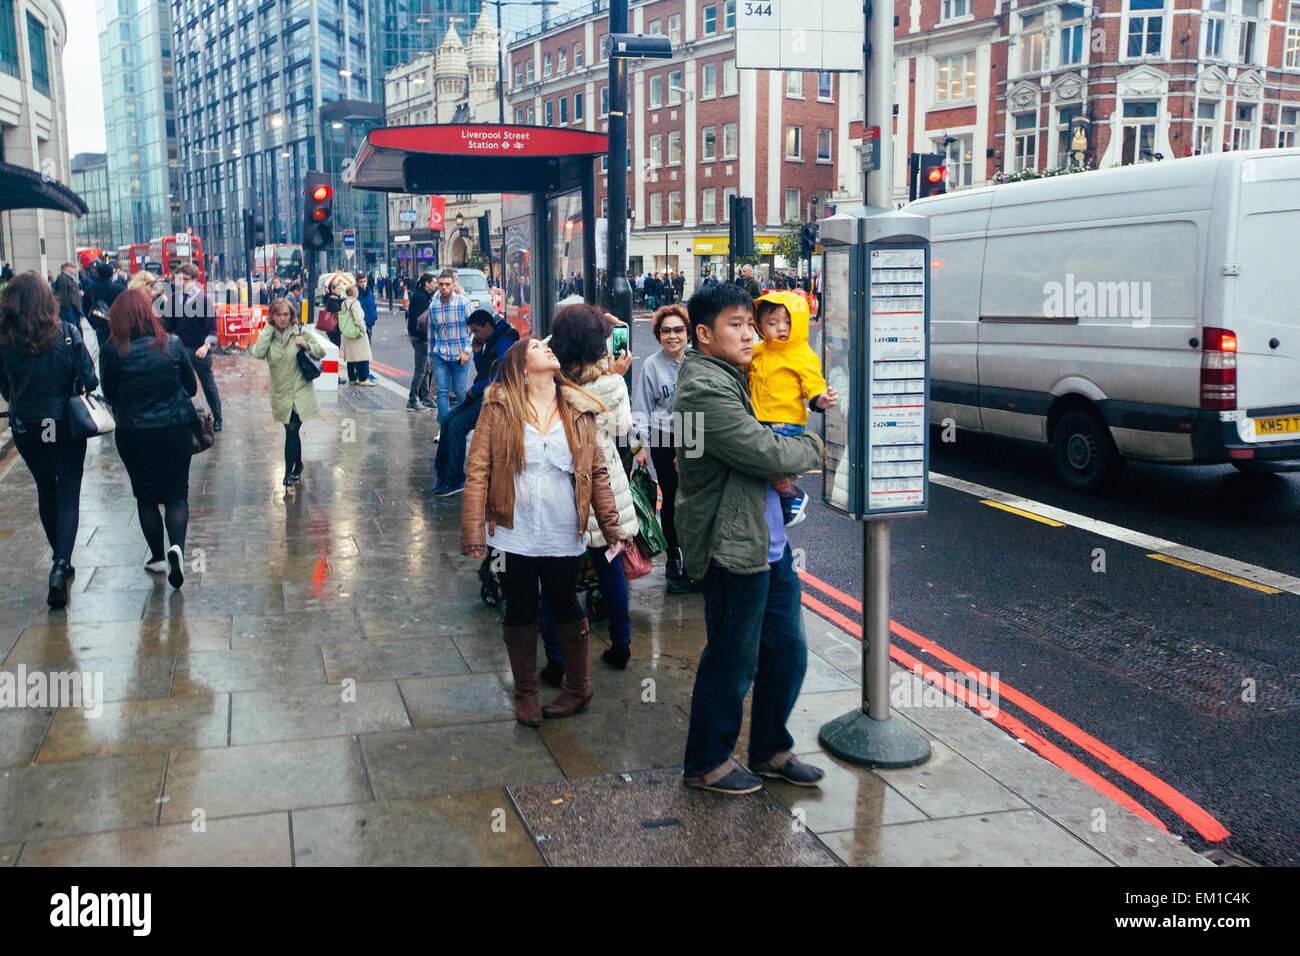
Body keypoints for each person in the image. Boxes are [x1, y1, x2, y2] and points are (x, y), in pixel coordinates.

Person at [674, 282, 826, 795]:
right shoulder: (702, 388)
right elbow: (764, 451)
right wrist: (809, 445)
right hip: (731, 545)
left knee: (787, 650)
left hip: (767, 539)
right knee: (732, 659)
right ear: (703, 334)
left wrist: (774, 469)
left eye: (749, 323)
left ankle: (769, 750)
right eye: (735, 325)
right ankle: (706, 763)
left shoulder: (735, 374)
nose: (749, 334)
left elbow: (759, 454)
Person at [460, 337, 625, 726]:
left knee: (565, 602)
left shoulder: (577, 407)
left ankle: (579, 686)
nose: (549, 348)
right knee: (519, 607)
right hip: (513, 528)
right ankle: (525, 692)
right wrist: (472, 530)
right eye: (536, 346)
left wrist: (611, 525)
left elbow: (596, 471)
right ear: (520, 364)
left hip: (562, 526)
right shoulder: (498, 407)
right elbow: (479, 468)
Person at [537, 305, 642, 676]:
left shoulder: (545, 380)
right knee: (610, 564)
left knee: (555, 577)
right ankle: (621, 642)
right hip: (603, 484)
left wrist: (571, 328)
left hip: (560, 485)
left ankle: (557, 658)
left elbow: (545, 345)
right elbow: (621, 430)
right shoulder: (610, 384)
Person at [0, 273, 98, 607]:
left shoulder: (5, 340)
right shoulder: (67, 335)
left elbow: (4, 388)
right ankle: (61, 563)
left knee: (46, 488)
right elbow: (90, 378)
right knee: (68, 491)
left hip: (27, 427)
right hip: (61, 422)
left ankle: (59, 557)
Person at [99, 290, 197, 590]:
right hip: (174, 428)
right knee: (177, 494)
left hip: (134, 432)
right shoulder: (172, 344)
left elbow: (110, 394)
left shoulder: (111, 350)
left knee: (145, 496)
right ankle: (177, 548)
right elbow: (191, 388)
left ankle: (157, 557)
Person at [749, 291, 838, 526]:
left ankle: (791, 494)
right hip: (757, 420)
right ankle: (783, 502)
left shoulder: (802, 355)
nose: (781, 328)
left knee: (764, 460)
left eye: (788, 322)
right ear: (760, 325)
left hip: (785, 423)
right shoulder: (758, 352)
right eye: (772, 323)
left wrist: (821, 399)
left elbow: (813, 386)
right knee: (755, 465)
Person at [634, 303, 693, 593]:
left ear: (688, 333)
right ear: (658, 335)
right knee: (671, 497)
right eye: (666, 331)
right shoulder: (651, 366)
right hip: (663, 437)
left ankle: (696, 559)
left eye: (678, 330)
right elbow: (641, 409)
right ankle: (674, 557)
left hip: (695, 434)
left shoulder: (698, 361)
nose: (673, 336)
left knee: (694, 498)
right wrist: (639, 447)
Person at [432, 308, 518, 496]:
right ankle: (443, 475)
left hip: (495, 397)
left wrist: (476, 389)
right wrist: (478, 353)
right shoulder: (491, 340)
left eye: (477, 331)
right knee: (447, 419)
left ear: (487, 326)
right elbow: (484, 369)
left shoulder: (505, 341)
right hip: (483, 393)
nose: (475, 335)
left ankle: (455, 479)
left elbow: (502, 376)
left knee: (457, 425)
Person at [251, 298, 327, 486]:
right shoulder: (268, 337)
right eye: (278, 314)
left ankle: (287, 472)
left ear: (291, 315)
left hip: (301, 393)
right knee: (292, 431)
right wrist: (268, 329)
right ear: (272, 317)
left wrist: (306, 345)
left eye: (286, 314)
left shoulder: (300, 333)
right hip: (282, 394)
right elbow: (257, 353)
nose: (283, 318)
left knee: (292, 430)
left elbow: (321, 352)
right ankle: (298, 465)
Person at [166, 263, 223, 432]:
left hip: (199, 350)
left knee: (208, 385)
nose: (181, 282)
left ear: (194, 280)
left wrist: (206, 346)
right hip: (179, 350)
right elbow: (168, 325)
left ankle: (218, 418)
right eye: (179, 279)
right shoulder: (174, 298)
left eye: (185, 279)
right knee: (179, 386)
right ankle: (183, 419)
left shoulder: (203, 300)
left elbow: (213, 328)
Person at [427, 268, 472, 430]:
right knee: (442, 393)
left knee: (461, 393)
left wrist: (467, 351)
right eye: (441, 284)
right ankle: (444, 430)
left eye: (447, 284)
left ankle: (462, 426)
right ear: (437, 286)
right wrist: (430, 359)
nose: (444, 287)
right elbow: (431, 335)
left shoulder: (463, 303)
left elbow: (475, 329)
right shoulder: (433, 307)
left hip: (460, 356)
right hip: (441, 356)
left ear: (453, 285)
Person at [405, 272, 435, 411]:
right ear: (426, 283)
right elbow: (422, 322)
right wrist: (425, 339)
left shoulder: (422, 296)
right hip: (420, 338)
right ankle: (412, 399)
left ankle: (426, 397)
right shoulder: (421, 298)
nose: (435, 285)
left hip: (418, 336)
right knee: (421, 370)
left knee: (426, 368)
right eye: (433, 283)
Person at [336, 276, 373, 386]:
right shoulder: (355, 303)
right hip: (357, 333)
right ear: (354, 293)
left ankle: (352, 378)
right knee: (361, 355)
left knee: (351, 357)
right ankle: (363, 379)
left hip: (348, 332)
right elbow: (358, 319)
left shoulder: (344, 303)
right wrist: (364, 329)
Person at [82, 262, 122, 350]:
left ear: (98, 274)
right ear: (112, 275)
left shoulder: (90, 289)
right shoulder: (120, 289)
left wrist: (93, 323)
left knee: (104, 348)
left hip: (100, 324)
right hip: (117, 324)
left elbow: (85, 308)